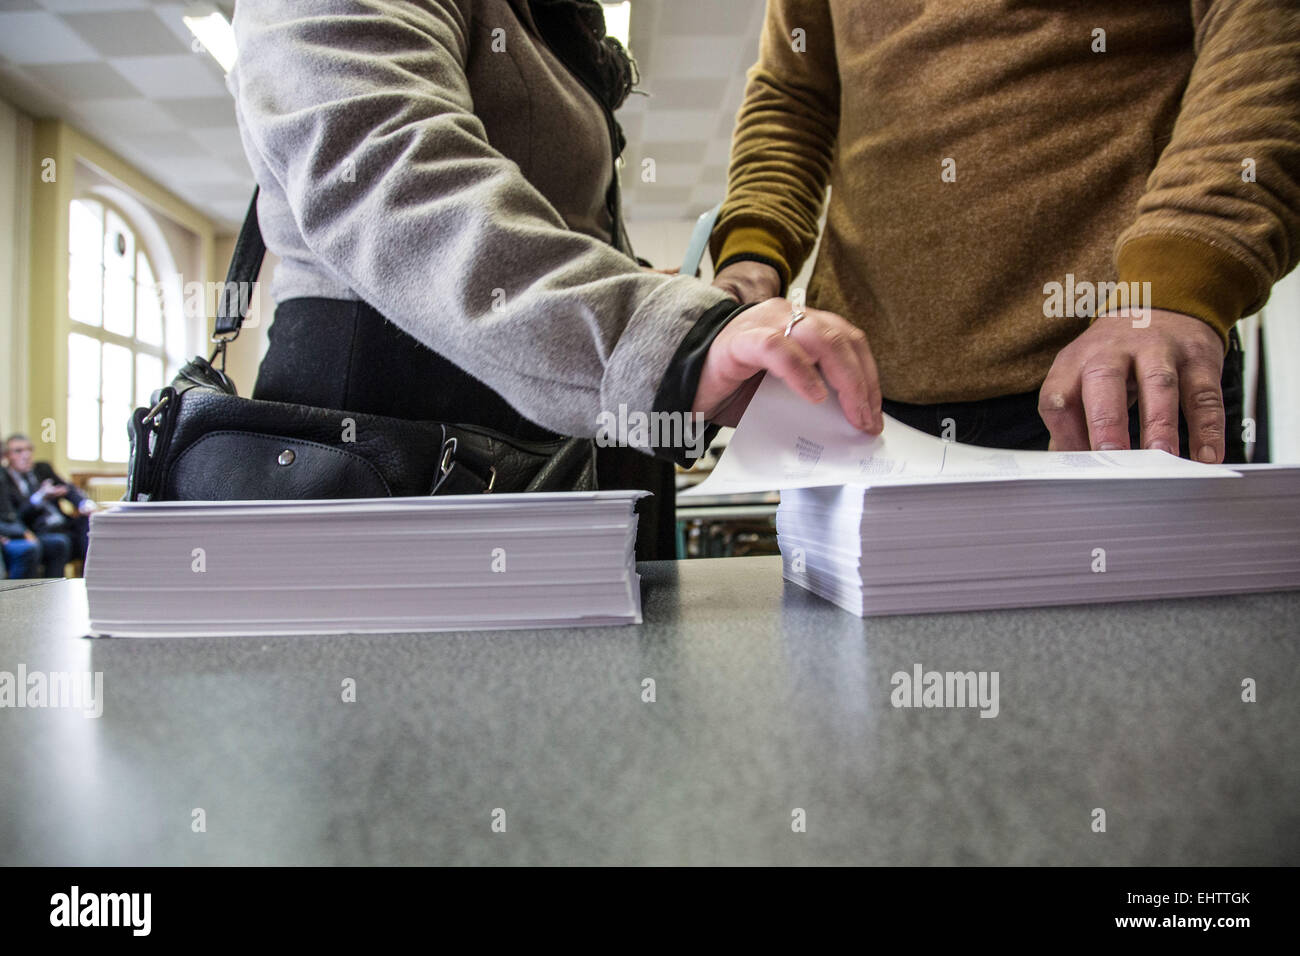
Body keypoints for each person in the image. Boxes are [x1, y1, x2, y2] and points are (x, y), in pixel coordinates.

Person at [228, 0, 883, 561]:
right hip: (391, 442)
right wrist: (673, 342)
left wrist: (642, 290)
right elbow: (380, 164)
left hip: (548, 441)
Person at [710, 1, 1300, 462]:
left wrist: (1183, 280)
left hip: (1116, 374)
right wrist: (753, 252)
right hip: (857, 397)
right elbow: (794, 94)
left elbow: (1263, 36)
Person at [3, 434, 92, 563]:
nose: (26, 455)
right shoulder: (4, 479)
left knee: (89, 522)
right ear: (7, 456)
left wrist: (84, 504)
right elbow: (16, 515)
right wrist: (41, 496)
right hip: (37, 528)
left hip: (61, 523)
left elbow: (68, 489)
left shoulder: (42, 469)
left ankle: (90, 575)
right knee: (59, 542)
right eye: (18, 451)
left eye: (29, 450)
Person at [0, 478, 70, 579]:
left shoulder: (30, 477)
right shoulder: (5, 476)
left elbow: (9, 514)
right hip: (10, 533)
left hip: (16, 530)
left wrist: (23, 531)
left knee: (59, 543)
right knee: (29, 548)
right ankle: (18, 593)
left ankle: (49, 589)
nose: (27, 461)